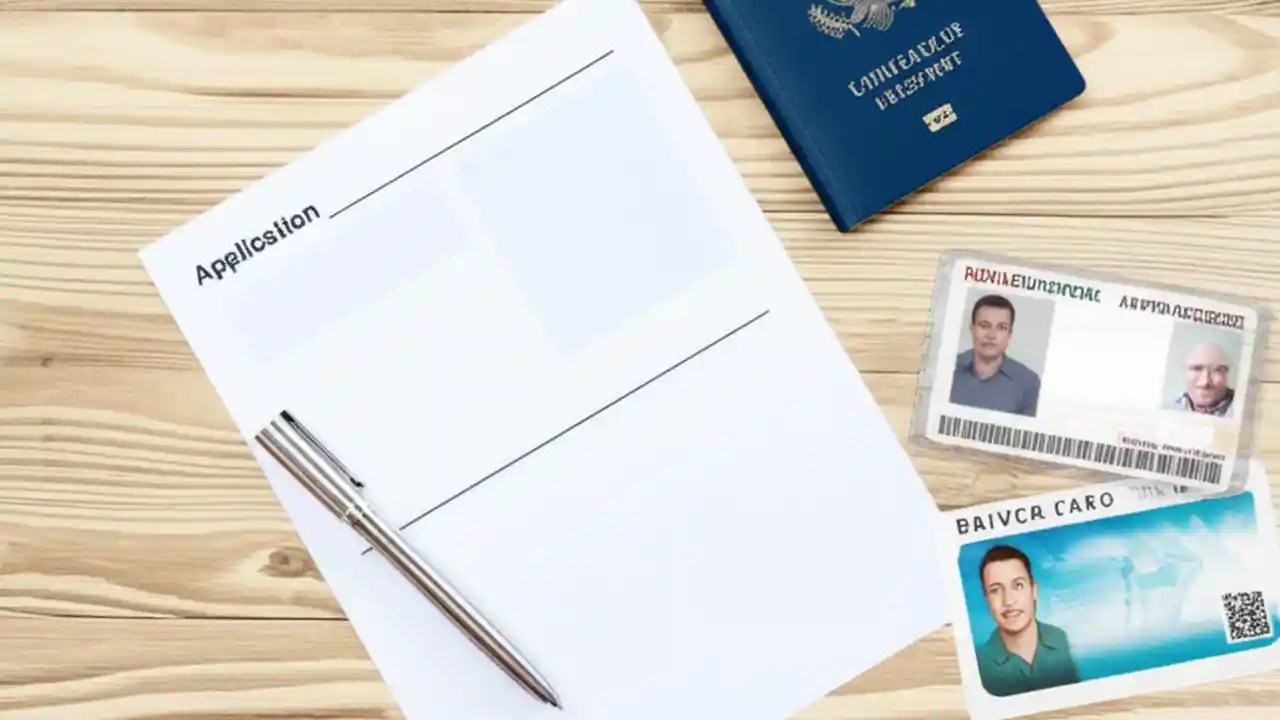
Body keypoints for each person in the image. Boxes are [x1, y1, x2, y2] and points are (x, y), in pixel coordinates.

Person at [974, 545, 1080, 697]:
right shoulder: (978, 665)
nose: (1009, 601)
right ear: (986, 599)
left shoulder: (1063, 640)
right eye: (995, 590)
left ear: (1034, 590)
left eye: (1018, 585)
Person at [950, 295, 1041, 417]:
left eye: (1001, 327)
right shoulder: (947, 368)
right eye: (984, 325)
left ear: (1009, 334)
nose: (991, 335)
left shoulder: (1029, 383)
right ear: (972, 329)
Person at [1172, 342, 1234, 416]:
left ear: (1226, 374)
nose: (1205, 382)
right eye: (1196, 369)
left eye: (1216, 370)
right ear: (1184, 372)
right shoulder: (1169, 409)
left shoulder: (1244, 411)